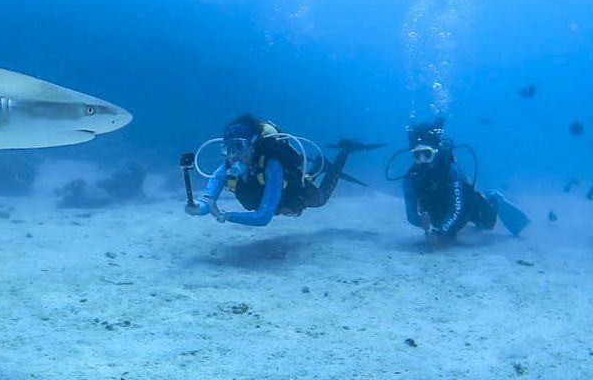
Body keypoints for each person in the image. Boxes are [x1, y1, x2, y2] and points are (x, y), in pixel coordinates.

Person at [185, 114, 381, 226]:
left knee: (320, 200)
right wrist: (197, 208)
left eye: (239, 146)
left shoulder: (272, 166)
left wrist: (225, 216)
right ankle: (317, 166)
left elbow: (263, 218)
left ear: (253, 144)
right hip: (275, 202)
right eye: (228, 149)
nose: (233, 155)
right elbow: (208, 201)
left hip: (294, 196)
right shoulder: (224, 169)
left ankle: (344, 152)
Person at [401, 117, 529, 239]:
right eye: (417, 155)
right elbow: (410, 213)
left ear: (435, 151)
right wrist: (420, 222)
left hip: (466, 205)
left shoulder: (451, 170)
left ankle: (493, 199)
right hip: (439, 210)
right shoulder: (410, 178)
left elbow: (458, 208)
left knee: (487, 223)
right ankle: (446, 226)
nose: (422, 160)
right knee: (443, 227)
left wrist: (442, 233)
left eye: (427, 154)